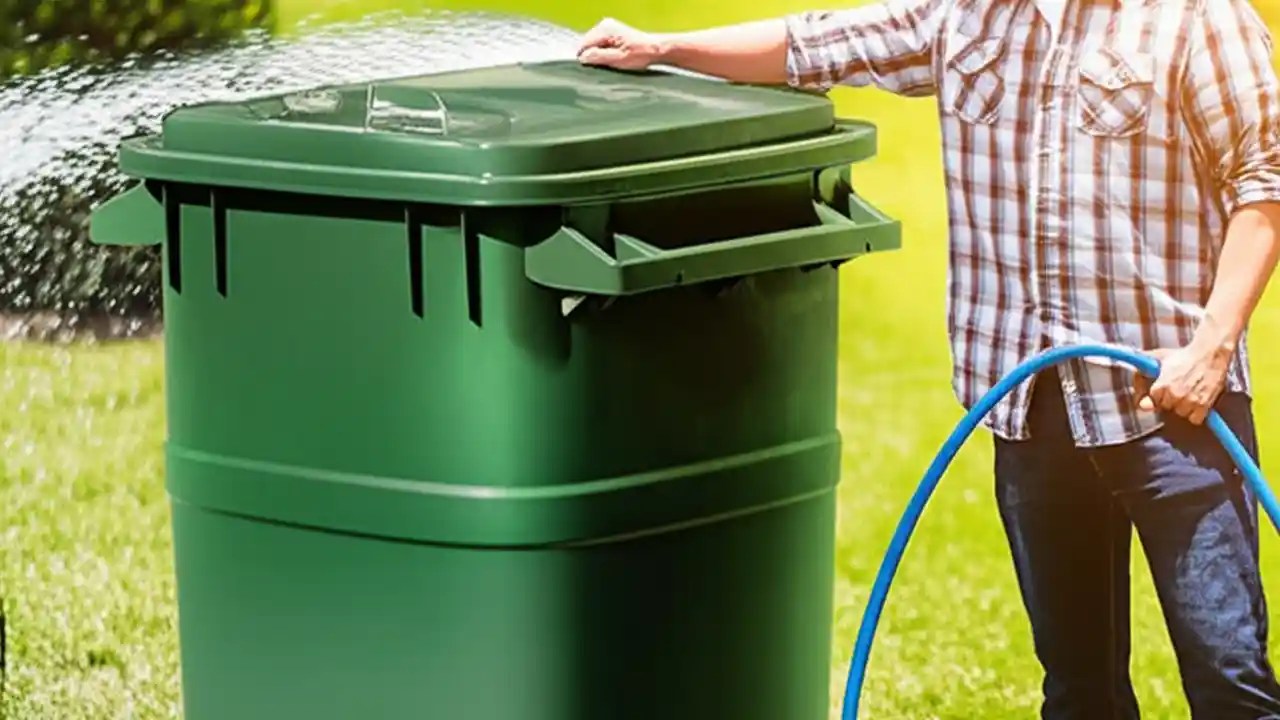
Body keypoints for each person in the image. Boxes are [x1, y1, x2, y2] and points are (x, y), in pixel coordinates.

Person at [579, 2, 1280, 718]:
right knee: (1077, 691)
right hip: (1031, 409)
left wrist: (1211, 346)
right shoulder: (966, 17)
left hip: (1172, 409)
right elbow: (814, 44)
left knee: (1229, 682)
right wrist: (664, 45)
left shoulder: (1196, 19)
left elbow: (1266, 181)